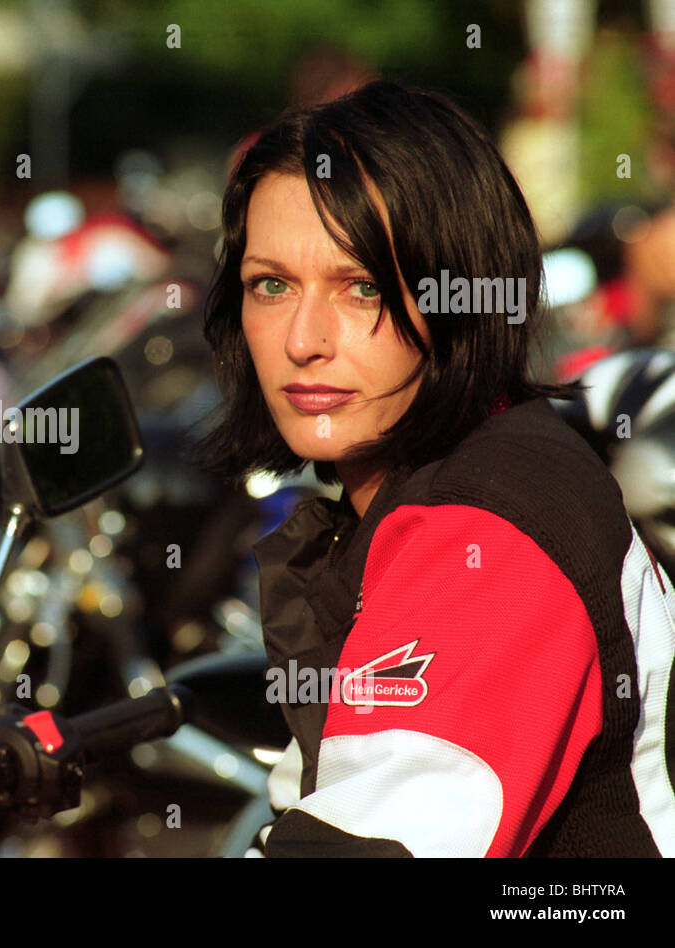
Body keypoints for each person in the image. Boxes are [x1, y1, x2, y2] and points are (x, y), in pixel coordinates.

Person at [194, 80, 675, 857]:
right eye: (271, 285)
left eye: (362, 287)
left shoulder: (487, 526)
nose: (303, 338)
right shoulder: (438, 485)